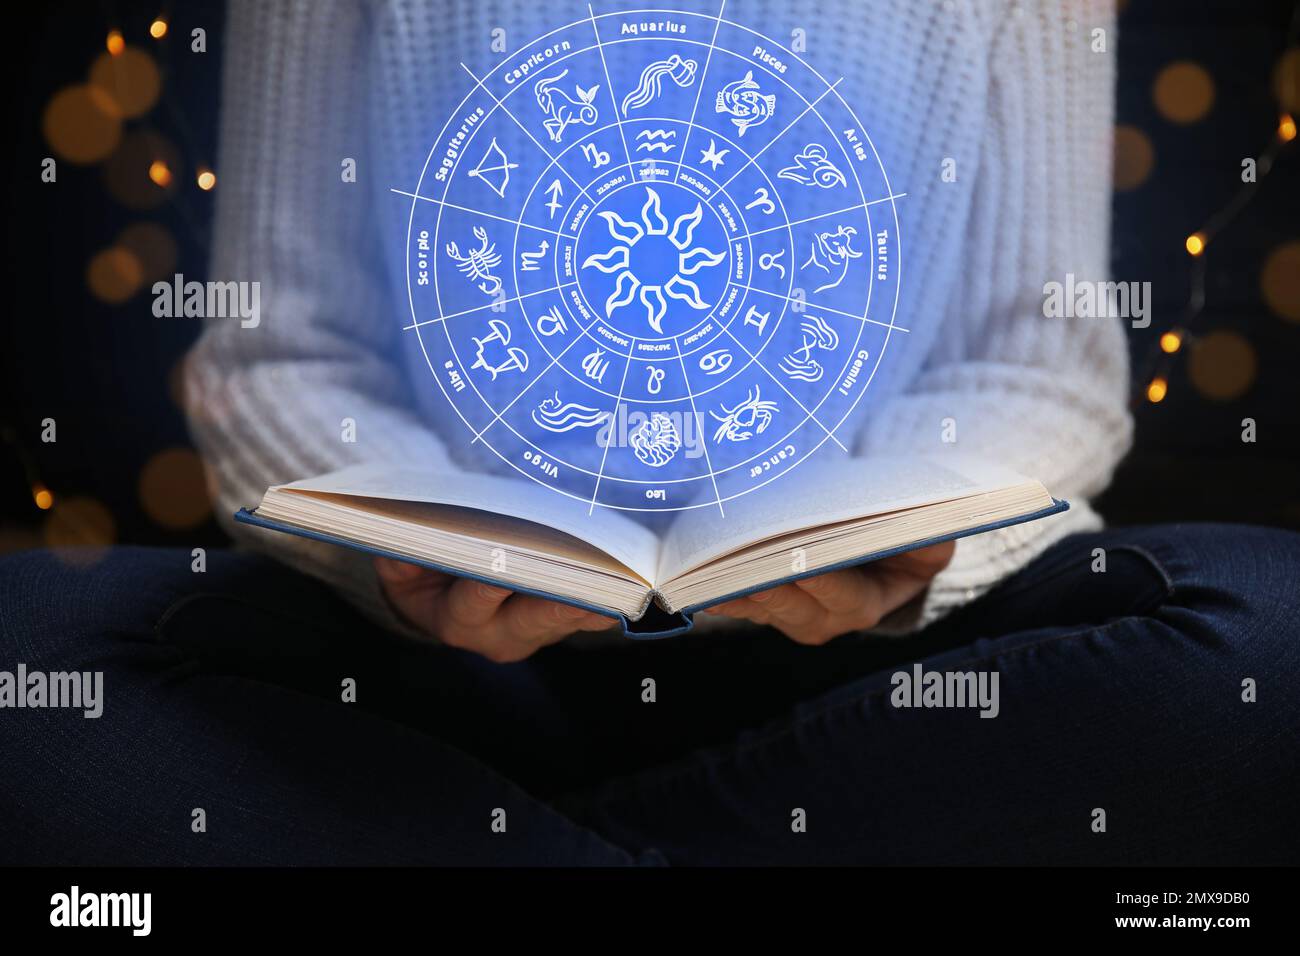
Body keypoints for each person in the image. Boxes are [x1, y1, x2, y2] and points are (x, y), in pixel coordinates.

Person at [1, 0, 1296, 865]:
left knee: (1272, 642)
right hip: (448, 668)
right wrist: (410, 551)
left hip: (866, 674)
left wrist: (908, 544)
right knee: (24, 664)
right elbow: (280, 349)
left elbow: (1041, 360)